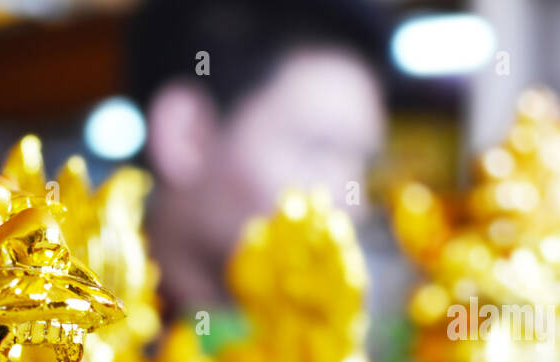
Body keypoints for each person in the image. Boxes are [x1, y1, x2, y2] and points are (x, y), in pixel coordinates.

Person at [128, 0, 391, 316]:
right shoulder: (78, 348)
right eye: (318, 149)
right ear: (186, 136)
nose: (353, 206)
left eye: (362, 162)